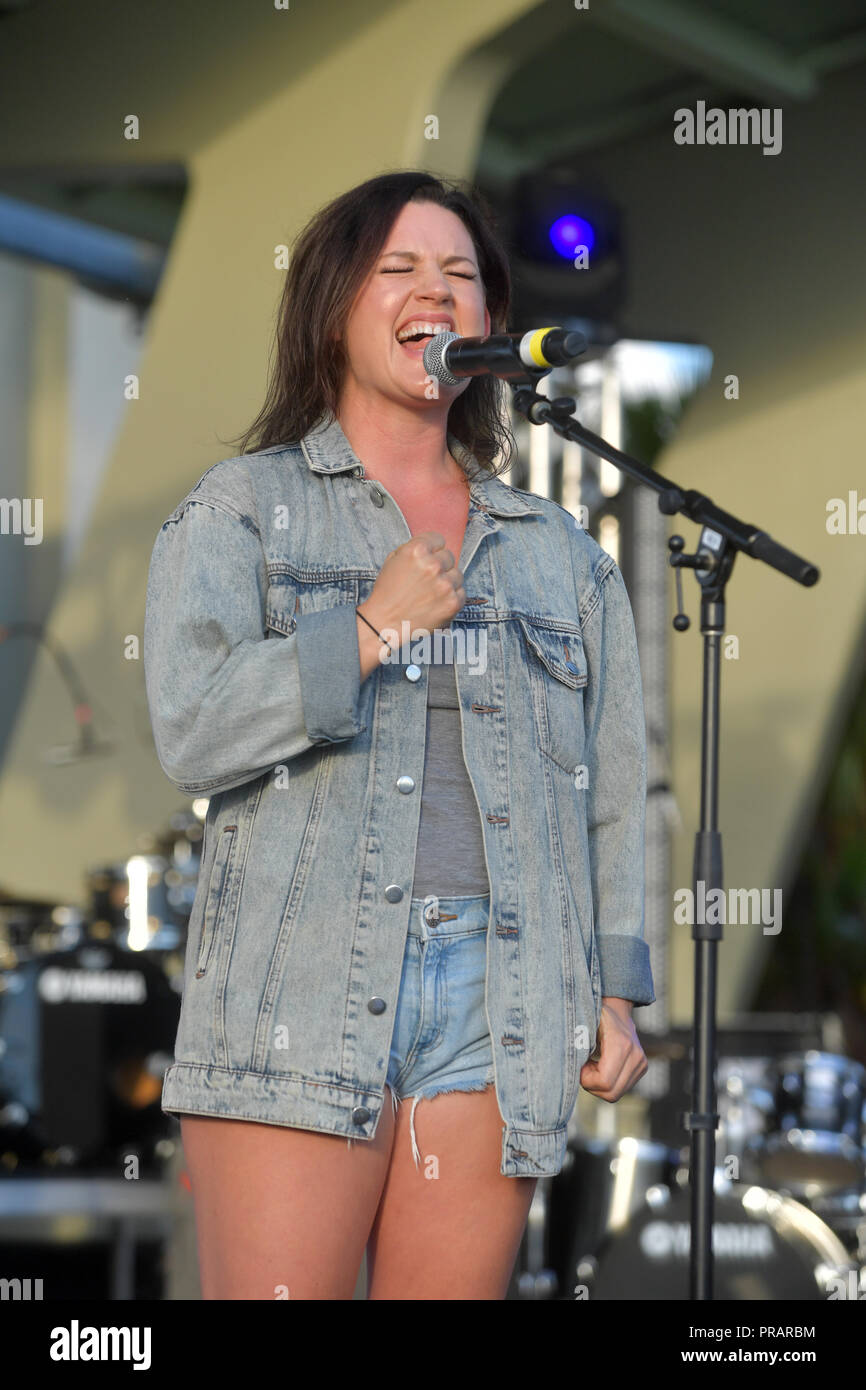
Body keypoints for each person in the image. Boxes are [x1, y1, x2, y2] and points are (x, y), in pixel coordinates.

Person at [143, 170, 654, 1301]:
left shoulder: (557, 556)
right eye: (401, 270)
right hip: (298, 984)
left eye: (462, 277)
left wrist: (616, 987)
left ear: (486, 326)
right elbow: (190, 725)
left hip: (501, 997)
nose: (437, 293)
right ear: (333, 306)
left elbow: (615, 791)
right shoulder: (239, 509)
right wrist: (365, 629)